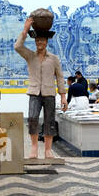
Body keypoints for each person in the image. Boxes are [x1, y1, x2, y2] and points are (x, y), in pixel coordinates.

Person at [16, 16, 67, 159]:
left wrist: (63, 96)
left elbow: (60, 77)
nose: (40, 42)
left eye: (42, 40)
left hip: (49, 93)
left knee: (49, 120)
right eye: (37, 40)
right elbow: (17, 47)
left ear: (46, 42)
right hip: (34, 92)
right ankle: (33, 148)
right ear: (35, 42)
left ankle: (48, 149)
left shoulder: (54, 58)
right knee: (32, 118)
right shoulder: (29, 56)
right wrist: (25, 30)